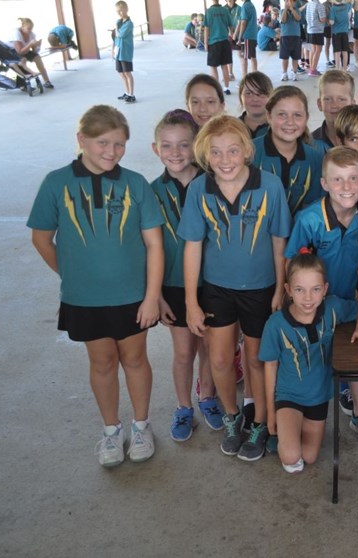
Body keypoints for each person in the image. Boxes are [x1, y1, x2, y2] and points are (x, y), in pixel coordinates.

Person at [28, 105, 164, 467]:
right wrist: (70, 275)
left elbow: (154, 243)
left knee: (134, 359)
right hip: (84, 298)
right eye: (103, 142)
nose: (111, 151)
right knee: (102, 362)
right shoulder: (56, 183)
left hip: (133, 297)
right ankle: (110, 430)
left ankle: (140, 426)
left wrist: (152, 296)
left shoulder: (134, 183)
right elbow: (42, 239)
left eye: (119, 144)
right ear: (81, 140)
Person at [178, 115, 291, 458]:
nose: (224, 160)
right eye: (216, 152)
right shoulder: (199, 188)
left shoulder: (270, 185)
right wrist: (191, 303)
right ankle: (231, 415)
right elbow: (193, 247)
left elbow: (278, 240)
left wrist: (279, 287)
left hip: (261, 288)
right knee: (222, 358)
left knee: (257, 359)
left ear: (246, 151)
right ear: (205, 155)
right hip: (217, 290)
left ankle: (258, 421)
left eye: (231, 151)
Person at [282, 146, 358, 448]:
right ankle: (299, 414)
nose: (346, 187)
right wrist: (293, 297)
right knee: (308, 361)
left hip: (350, 300)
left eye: (353, 178)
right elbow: (292, 262)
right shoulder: (310, 219)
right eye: (338, 180)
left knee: (357, 354)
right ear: (324, 184)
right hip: (311, 304)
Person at [149, 109, 225, 441]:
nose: (175, 153)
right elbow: (145, 247)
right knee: (183, 352)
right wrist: (157, 295)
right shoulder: (149, 191)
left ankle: (206, 396)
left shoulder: (213, 183)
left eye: (183, 145)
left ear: (197, 145)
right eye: (167, 146)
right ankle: (183, 407)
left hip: (212, 283)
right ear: (156, 149)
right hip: (172, 285)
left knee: (210, 348)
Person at [259, 253, 358, 470]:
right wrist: (270, 413)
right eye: (300, 289)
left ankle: (291, 432)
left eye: (316, 289)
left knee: (310, 457)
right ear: (288, 290)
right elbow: (270, 366)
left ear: (325, 288)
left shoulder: (332, 308)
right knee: (292, 457)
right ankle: (287, 433)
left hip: (319, 398)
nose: (308, 298)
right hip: (288, 397)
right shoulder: (275, 324)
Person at [253, 86, 325, 214]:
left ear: (306, 118)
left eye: (297, 115)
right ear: (269, 116)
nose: (290, 122)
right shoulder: (248, 154)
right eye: (282, 114)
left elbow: (312, 208)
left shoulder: (316, 159)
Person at [11, 17, 53, 89]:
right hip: (13, 51)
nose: (30, 31)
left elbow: (34, 52)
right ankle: (24, 83)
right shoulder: (16, 33)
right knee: (23, 60)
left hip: (24, 51)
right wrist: (30, 44)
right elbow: (20, 52)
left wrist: (37, 46)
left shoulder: (31, 34)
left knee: (37, 57)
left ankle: (47, 81)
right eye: (28, 28)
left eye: (31, 28)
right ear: (23, 26)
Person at [204, 0, 235, 95]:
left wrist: (205, 43)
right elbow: (230, 25)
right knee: (224, 65)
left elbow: (206, 28)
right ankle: (226, 88)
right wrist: (232, 36)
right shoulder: (225, 10)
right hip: (225, 42)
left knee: (213, 67)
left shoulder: (209, 12)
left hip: (214, 42)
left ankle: (216, 89)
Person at [237, 71, 273, 139]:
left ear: (271, 97)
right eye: (249, 93)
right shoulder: (232, 127)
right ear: (240, 96)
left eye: (261, 93)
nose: (255, 99)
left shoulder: (278, 128)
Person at [112, 2, 135, 102]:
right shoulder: (119, 22)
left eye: (121, 10)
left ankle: (131, 94)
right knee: (121, 73)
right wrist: (113, 49)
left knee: (127, 73)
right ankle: (126, 92)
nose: (120, 13)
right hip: (118, 52)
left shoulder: (129, 23)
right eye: (118, 11)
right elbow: (115, 37)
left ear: (126, 9)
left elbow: (120, 34)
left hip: (125, 52)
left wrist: (116, 28)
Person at [278, 0, 303, 81]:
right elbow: (283, 20)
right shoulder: (282, 11)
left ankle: (294, 73)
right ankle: (284, 73)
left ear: (294, 2)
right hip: (285, 36)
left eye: (291, 1)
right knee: (285, 56)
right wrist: (285, 9)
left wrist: (292, 10)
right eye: (287, 1)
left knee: (295, 57)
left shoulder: (297, 10)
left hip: (296, 36)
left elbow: (298, 18)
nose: (289, 3)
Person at [235, 0, 259, 76]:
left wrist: (239, 37)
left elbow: (243, 22)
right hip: (253, 35)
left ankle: (246, 78)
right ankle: (254, 77)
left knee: (246, 58)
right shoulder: (251, 5)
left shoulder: (245, 6)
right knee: (251, 56)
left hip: (247, 35)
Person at [328, 0, 353, 71]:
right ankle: (344, 68)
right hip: (345, 32)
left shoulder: (333, 9)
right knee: (345, 51)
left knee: (337, 52)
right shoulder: (346, 6)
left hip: (336, 32)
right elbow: (351, 2)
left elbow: (331, 22)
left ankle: (337, 69)